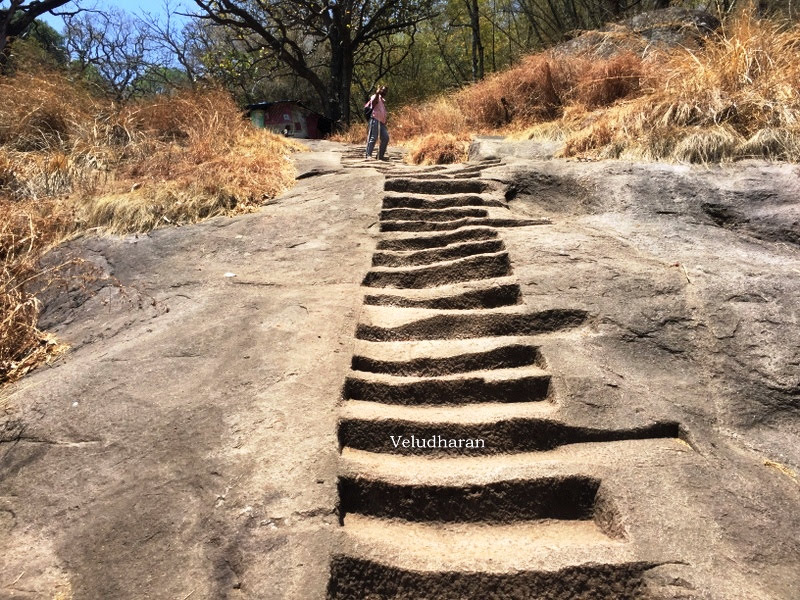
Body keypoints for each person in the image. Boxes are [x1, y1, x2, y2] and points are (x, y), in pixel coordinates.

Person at [365, 85, 389, 161]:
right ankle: (368, 155)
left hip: (382, 123)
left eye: (386, 91)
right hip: (375, 120)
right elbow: (374, 103)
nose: (384, 92)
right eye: (383, 90)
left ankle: (380, 155)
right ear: (380, 90)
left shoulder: (382, 100)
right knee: (373, 138)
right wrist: (377, 93)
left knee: (385, 138)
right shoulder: (375, 96)